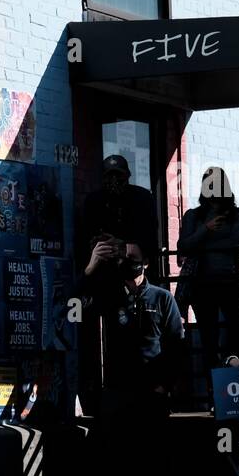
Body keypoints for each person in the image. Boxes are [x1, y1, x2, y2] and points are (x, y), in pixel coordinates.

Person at [77, 239, 184, 476]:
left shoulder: (162, 298)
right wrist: (91, 266)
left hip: (152, 395)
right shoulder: (109, 296)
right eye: (122, 257)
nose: (127, 261)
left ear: (145, 263)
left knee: (154, 463)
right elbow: (74, 304)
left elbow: (177, 346)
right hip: (117, 394)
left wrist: (166, 385)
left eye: (132, 257)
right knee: (117, 462)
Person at [77, 154, 162, 413]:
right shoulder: (95, 201)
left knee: (141, 339)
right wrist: (103, 247)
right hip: (106, 282)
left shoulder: (142, 199)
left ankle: (140, 393)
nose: (114, 182)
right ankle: (105, 393)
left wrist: (124, 247)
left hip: (135, 280)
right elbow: (86, 240)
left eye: (119, 176)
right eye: (109, 177)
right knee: (104, 340)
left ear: (127, 177)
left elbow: (149, 244)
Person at [177, 167, 239, 398]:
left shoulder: (237, 214)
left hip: (228, 283)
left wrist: (202, 240)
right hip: (201, 285)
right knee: (209, 341)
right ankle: (213, 395)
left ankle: (233, 395)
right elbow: (184, 247)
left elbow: (236, 242)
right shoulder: (194, 216)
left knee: (234, 338)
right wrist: (206, 230)